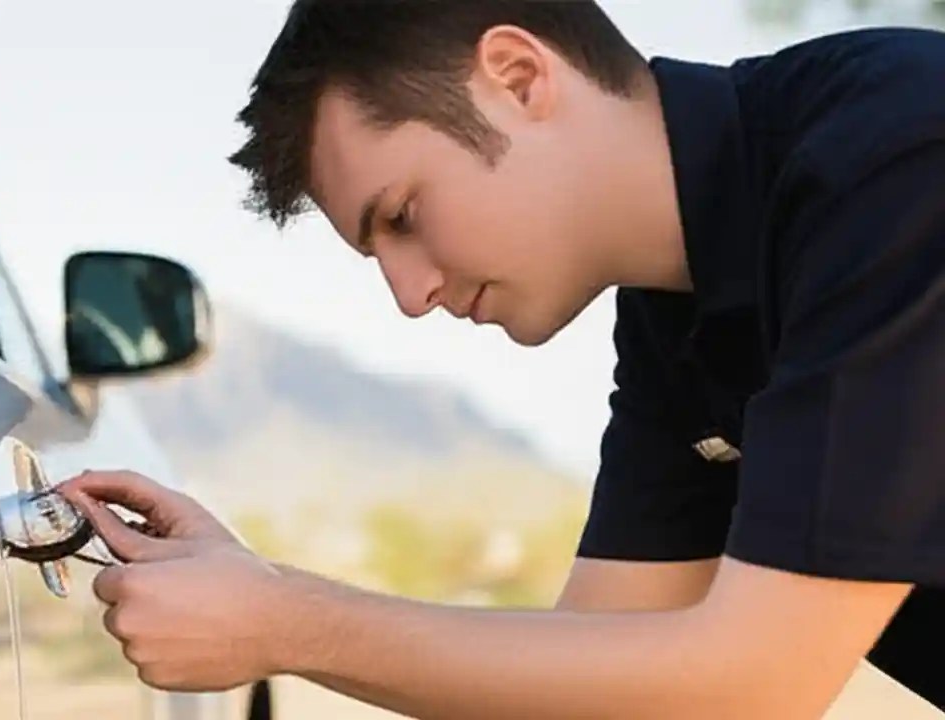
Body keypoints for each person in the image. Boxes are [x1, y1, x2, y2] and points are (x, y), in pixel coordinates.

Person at [58, 1, 945, 717]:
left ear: (519, 77)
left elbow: (755, 681)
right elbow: (595, 681)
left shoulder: (894, 156)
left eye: (402, 215)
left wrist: (289, 625)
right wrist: (264, 595)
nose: (409, 295)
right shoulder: (671, 319)